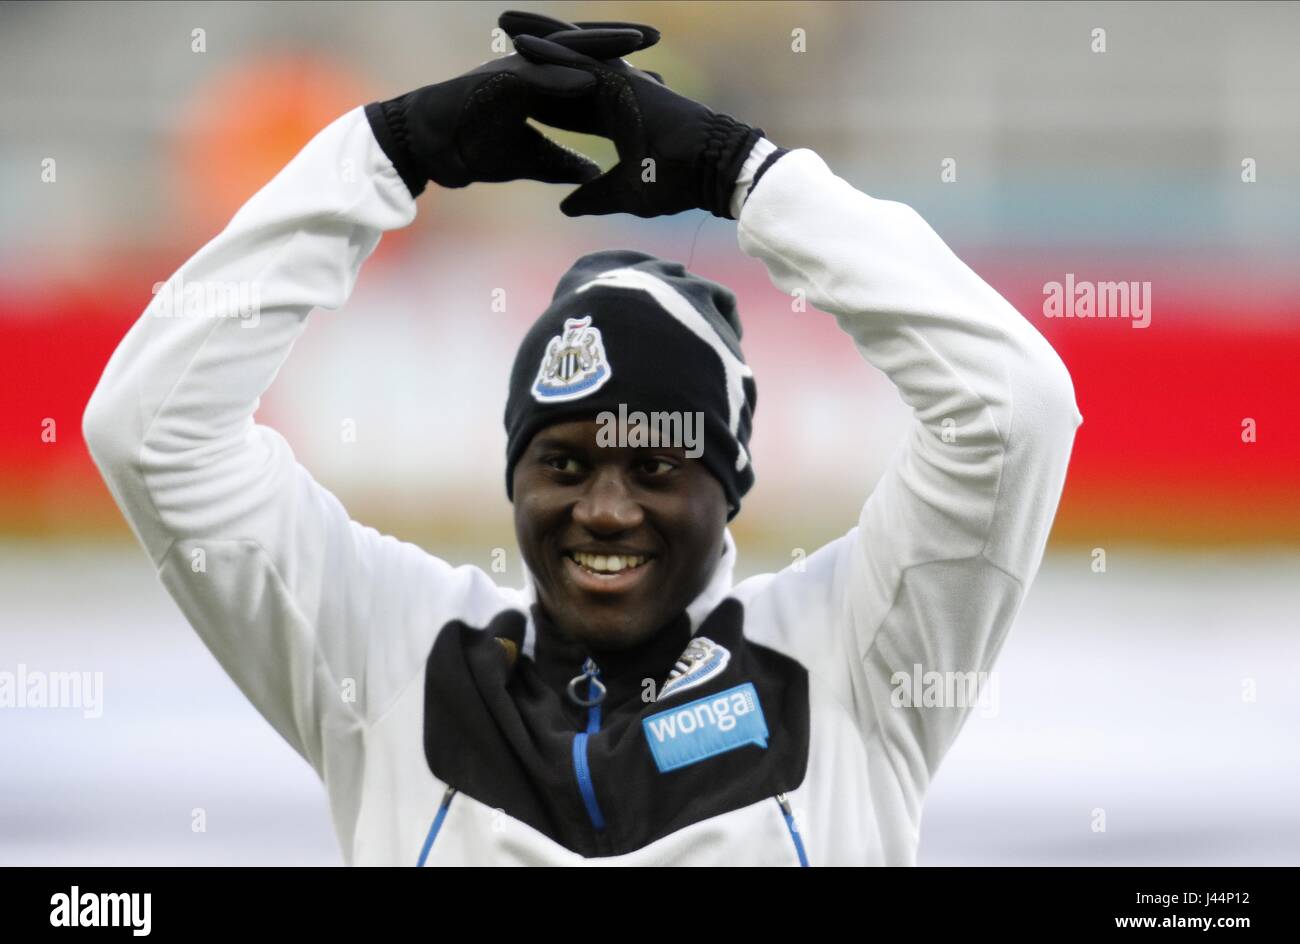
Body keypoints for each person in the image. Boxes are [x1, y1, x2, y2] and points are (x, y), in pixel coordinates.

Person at [83, 11, 1082, 865]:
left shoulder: (850, 661)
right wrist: (381, 154)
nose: (605, 507)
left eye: (654, 462)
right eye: (563, 461)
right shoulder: (390, 658)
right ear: (511, 476)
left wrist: (750, 177)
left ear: (729, 481)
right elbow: (150, 430)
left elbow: (1013, 406)